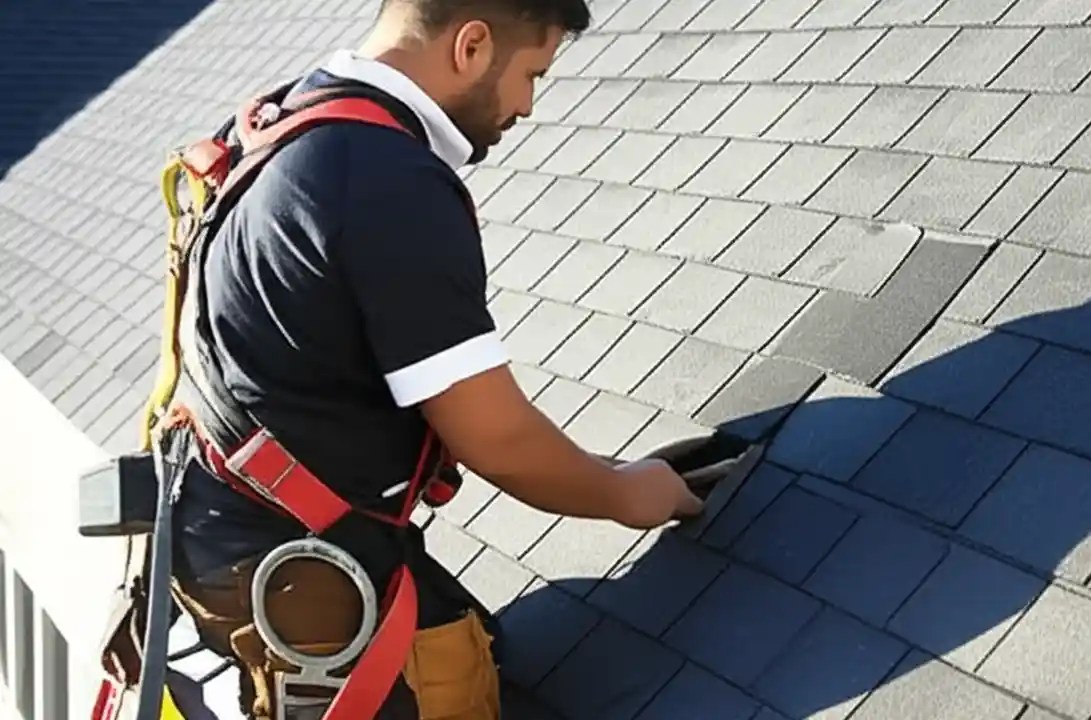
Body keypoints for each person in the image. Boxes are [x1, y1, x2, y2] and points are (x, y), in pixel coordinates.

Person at [163, 0, 704, 717]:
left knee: (486, 652)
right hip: (290, 565)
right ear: (472, 45)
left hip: (229, 527)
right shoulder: (383, 180)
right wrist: (633, 494)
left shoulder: (290, 119)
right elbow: (496, 438)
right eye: (532, 73)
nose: (529, 106)